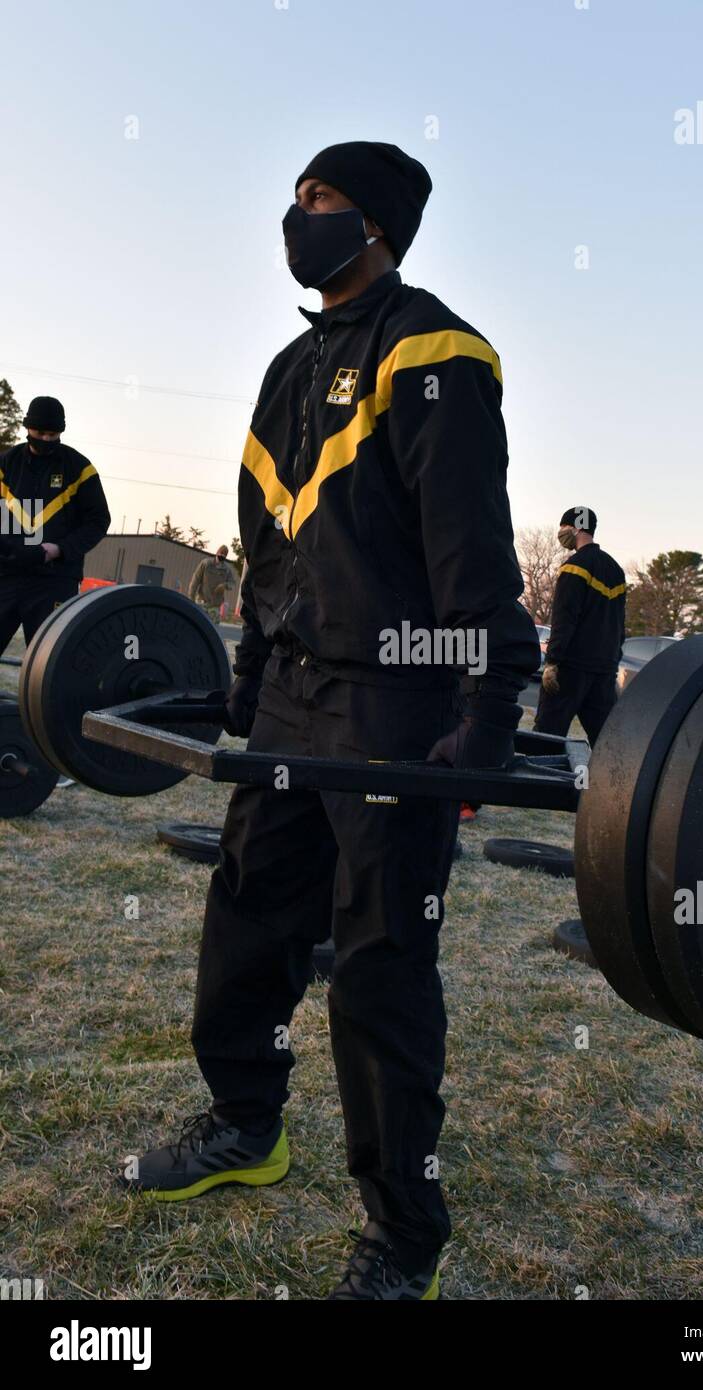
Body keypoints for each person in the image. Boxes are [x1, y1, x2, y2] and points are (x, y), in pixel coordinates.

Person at [123, 140, 540, 1300]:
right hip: (296, 697)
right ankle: (245, 1127)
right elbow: (267, 552)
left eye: (318, 204)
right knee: (249, 916)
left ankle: (403, 1235)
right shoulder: (285, 371)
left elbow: (469, 546)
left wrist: (489, 710)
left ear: (378, 223)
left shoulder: (435, 353)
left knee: (379, 969)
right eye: (294, 201)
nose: (294, 220)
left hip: (397, 705)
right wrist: (250, 688)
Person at [0, 396, 110, 655]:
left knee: (49, 660)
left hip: (54, 580)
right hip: (6, 576)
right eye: (40, 433)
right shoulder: (6, 465)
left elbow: (98, 520)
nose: (46, 440)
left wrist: (60, 549)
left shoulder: (80, 469)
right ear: (27, 428)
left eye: (53, 434)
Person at [534, 507, 625, 744]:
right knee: (607, 742)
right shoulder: (615, 570)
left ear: (577, 527)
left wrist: (552, 661)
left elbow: (565, 618)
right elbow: (618, 623)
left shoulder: (575, 567)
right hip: (603, 669)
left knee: (546, 738)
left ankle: (543, 782)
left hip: (571, 667)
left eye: (563, 527)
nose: (561, 532)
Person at [189, 544, 236, 623]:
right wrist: (191, 599)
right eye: (221, 553)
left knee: (213, 629)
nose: (222, 556)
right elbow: (195, 581)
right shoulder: (206, 564)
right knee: (197, 624)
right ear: (217, 553)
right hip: (202, 602)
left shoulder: (227, 569)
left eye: (225, 555)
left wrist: (225, 585)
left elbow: (233, 583)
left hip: (215, 606)